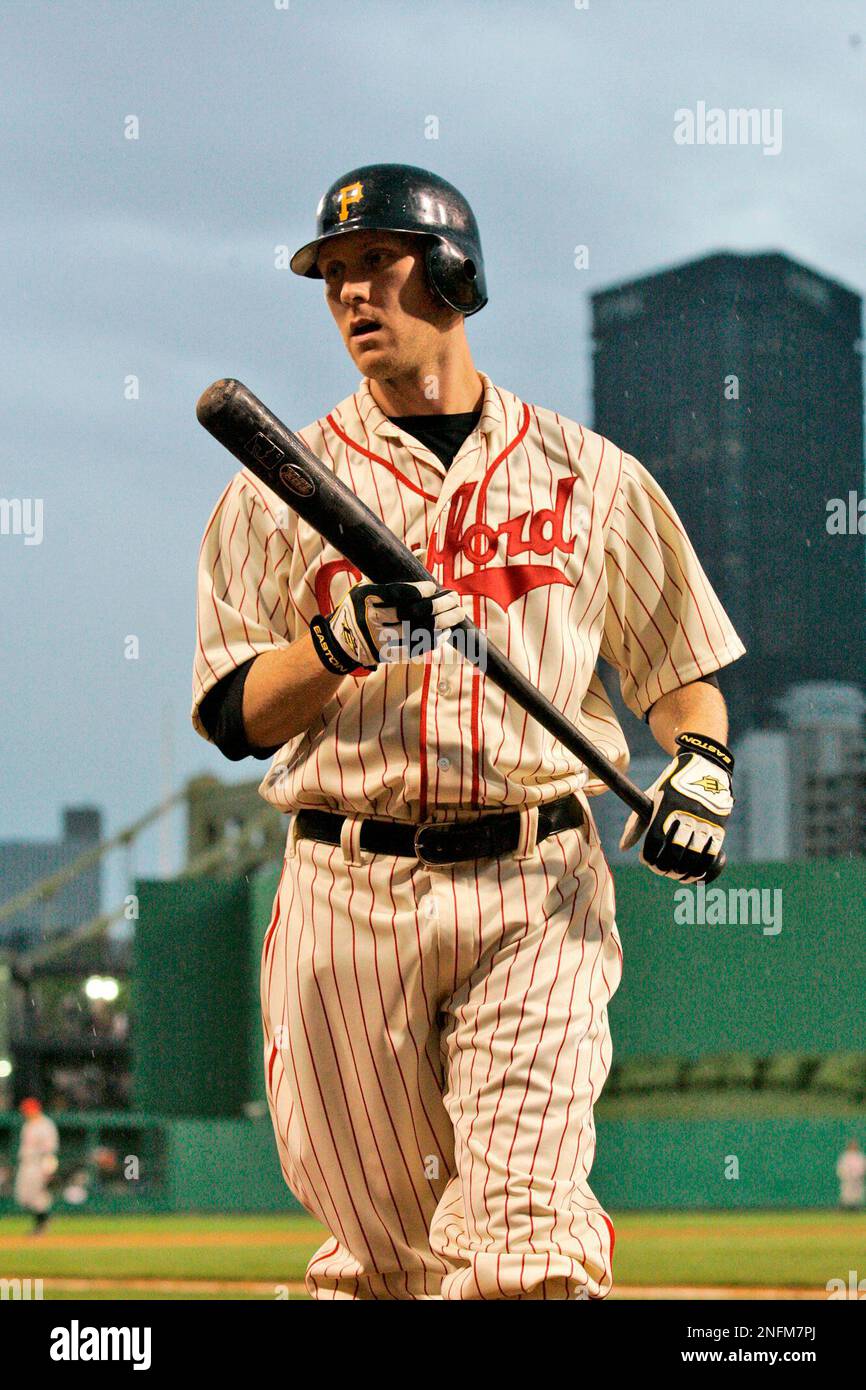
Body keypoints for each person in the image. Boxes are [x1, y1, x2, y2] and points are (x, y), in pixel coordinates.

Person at [191, 163, 745, 1300]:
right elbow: (229, 713)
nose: (351, 295)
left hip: (535, 883)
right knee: (383, 1267)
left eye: (375, 265)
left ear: (452, 272)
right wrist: (339, 643)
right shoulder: (274, 490)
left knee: (524, 1252)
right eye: (332, 276)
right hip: (347, 895)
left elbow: (681, 669)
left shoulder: (591, 478)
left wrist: (699, 768)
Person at [14, 1097, 59, 1235]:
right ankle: (45, 1218)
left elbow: (50, 1150)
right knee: (23, 1197)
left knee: (38, 1196)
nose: (26, 1112)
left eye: (28, 1109)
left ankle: (41, 1225)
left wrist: (49, 1170)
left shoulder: (45, 1125)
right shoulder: (28, 1124)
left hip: (38, 1164)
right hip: (26, 1164)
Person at [836, 1138, 866, 1210]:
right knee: (846, 1193)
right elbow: (841, 1168)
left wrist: (859, 1175)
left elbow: (863, 1167)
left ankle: (856, 1208)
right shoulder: (845, 1156)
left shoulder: (860, 1156)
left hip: (857, 1180)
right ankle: (844, 1207)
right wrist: (846, 1175)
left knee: (857, 1194)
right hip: (847, 1180)